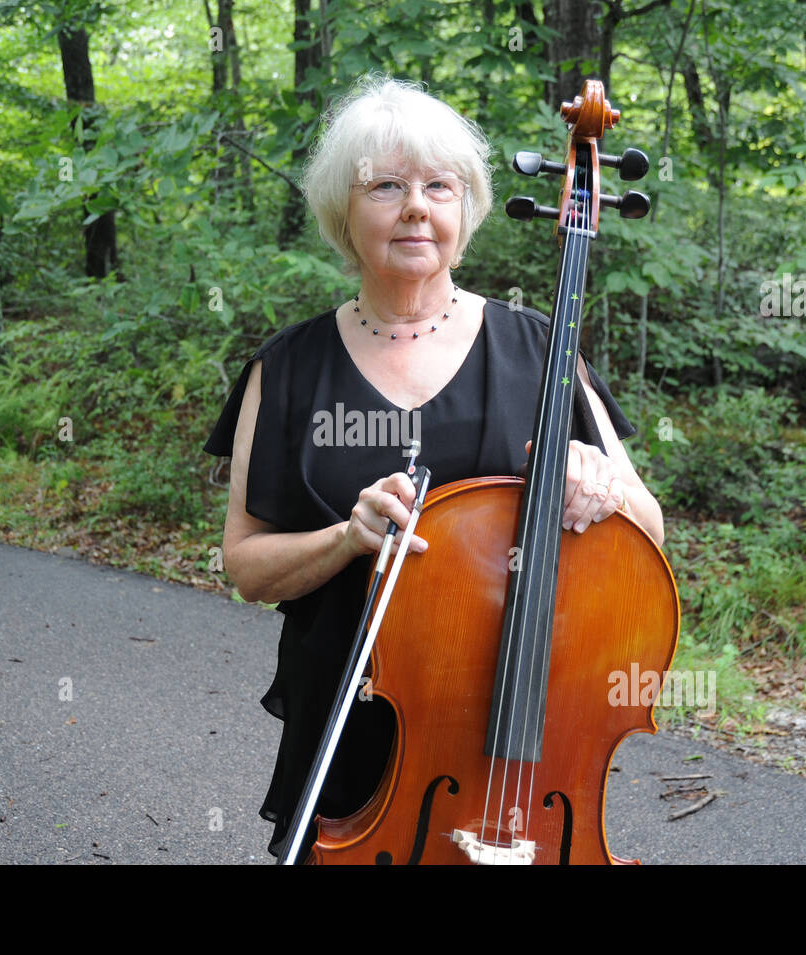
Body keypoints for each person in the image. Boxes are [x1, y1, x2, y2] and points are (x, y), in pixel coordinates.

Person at [203, 75, 664, 860]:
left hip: (522, 753)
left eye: (438, 186)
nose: (416, 206)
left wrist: (604, 485)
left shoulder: (537, 349)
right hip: (350, 743)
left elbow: (648, 530)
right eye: (385, 185)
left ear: (467, 207)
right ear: (343, 212)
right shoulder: (286, 370)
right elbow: (245, 564)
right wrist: (345, 538)